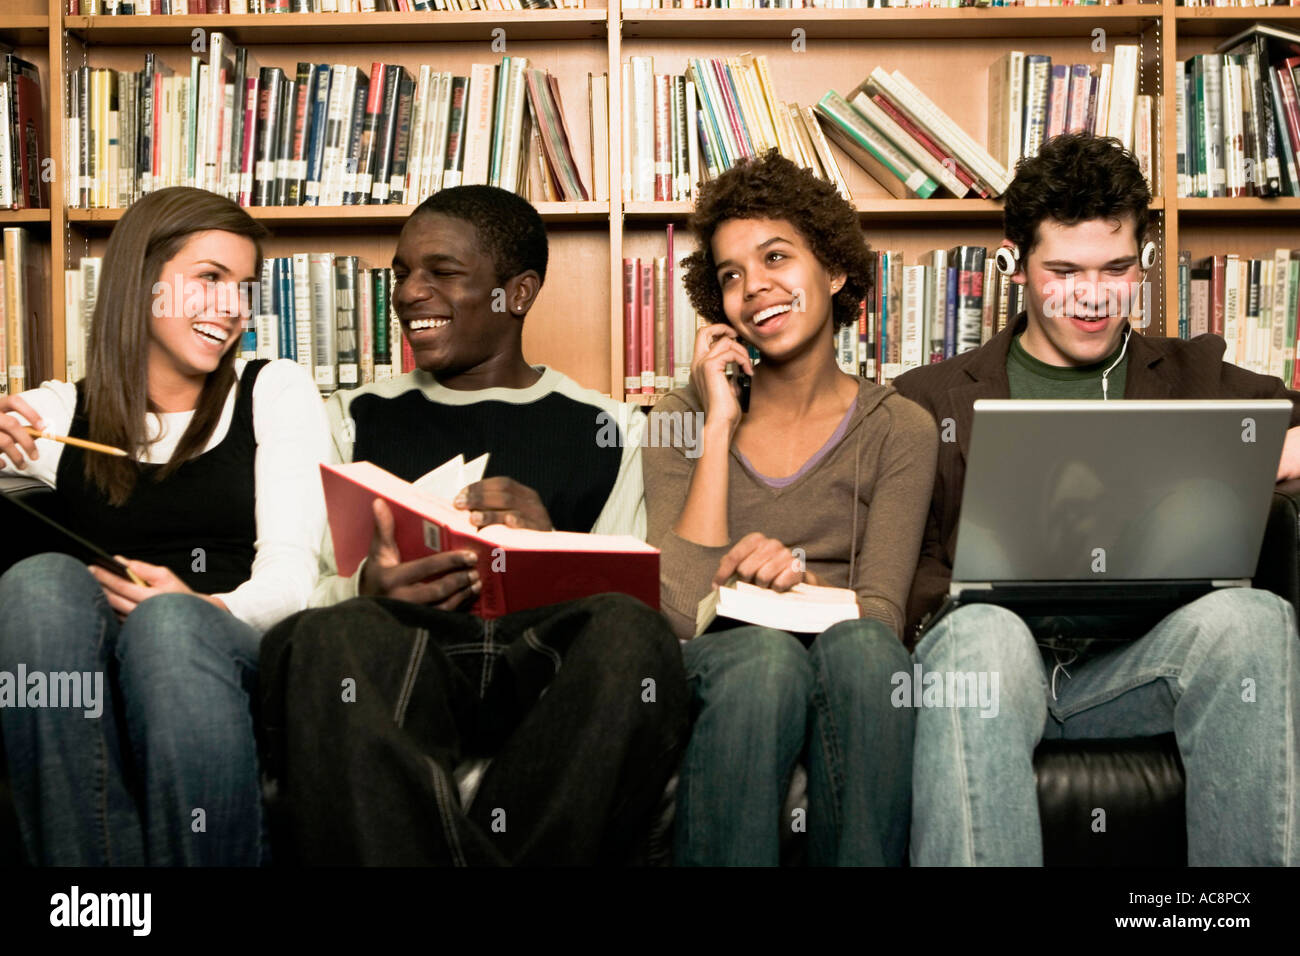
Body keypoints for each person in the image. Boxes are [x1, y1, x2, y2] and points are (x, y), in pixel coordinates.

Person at [893, 132, 1300, 866]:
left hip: (1138, 666)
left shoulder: (1192, 374)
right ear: (1017, 264)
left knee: (1255, 618)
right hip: (994, 663)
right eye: (1064, 271)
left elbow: (1281, 426)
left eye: (1117, 269)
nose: (1092, 295)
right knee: (983, 637)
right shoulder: (926, 400)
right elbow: (899, 568)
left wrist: (1279, 451)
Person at [257, 184, 689, 866]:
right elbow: (298, 581)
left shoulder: (611, 428)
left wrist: (552, 553)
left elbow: (628, 594)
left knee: (634, 635)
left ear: (515, 294)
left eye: (442, 273)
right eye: (401, 273)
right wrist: (370, 586)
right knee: (324, 633)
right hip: (399, 660)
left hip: (538, 665)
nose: (407, 293)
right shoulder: (352, 413)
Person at [0, 186, 331, 866]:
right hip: (92, 667)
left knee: (168, 627)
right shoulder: (60, 412)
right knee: (36, 582)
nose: (233, 308)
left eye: (244, 287)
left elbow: (293, 577)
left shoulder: (275, 388)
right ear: (142, 285)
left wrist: (197, 605)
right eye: (210, 279)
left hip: (221, 654)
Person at [643, 149, 938, 866]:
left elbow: (880, 616)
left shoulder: (902, 428)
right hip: (724, 665)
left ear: (835, 271)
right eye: (731, 276)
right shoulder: (680, 418)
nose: (754, 288)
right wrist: (718, 424)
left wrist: (793, 587)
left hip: (848, 659)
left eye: (776, 257)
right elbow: (682, 607)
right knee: (765, 662)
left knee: (867, 651)